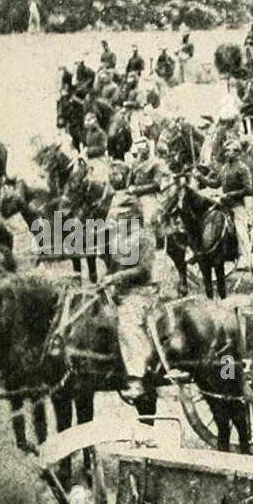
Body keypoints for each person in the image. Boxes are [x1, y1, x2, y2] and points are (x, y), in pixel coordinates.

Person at [98, 164, 158, 402]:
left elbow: (143, 270)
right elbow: (114, 263)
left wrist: (116, 277)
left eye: (121, 216)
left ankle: (137, 379)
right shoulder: (123, 238)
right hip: (122, 292)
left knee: (128, 325)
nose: (117, 220)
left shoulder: (144, 237)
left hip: (141, 293)